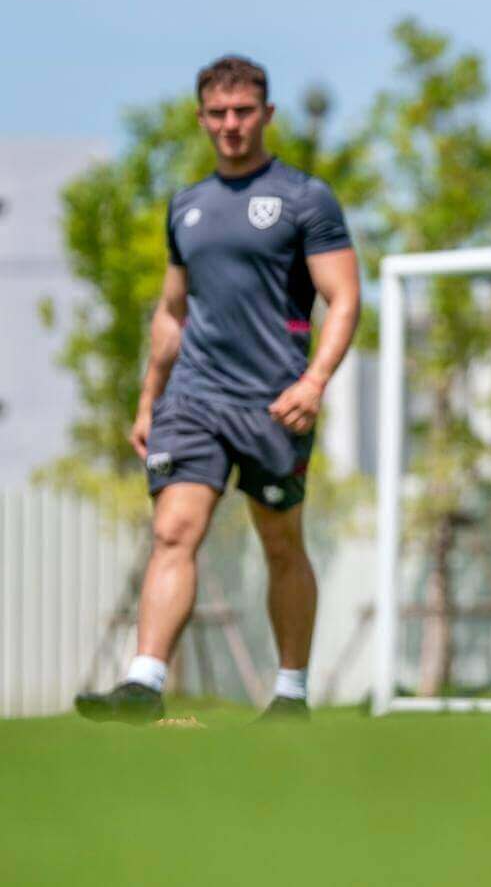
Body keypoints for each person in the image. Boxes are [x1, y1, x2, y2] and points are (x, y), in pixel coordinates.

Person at [75, 56, 359, 724]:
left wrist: (314, 380)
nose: (231, 124)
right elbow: (173, 311)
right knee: (174, 529)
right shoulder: (187, 205)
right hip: (194, 398)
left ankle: (290, 692)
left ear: (267, 114)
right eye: (218, 113)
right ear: (202, 119)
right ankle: (144, 682)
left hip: (273, 403)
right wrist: (150, 398)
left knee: (281, 543)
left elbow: (343, 299)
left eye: (243, 111)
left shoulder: (304, 198)